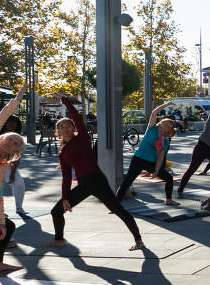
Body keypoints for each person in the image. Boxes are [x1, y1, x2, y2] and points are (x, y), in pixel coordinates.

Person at [48, 94, 144, 251]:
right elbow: (65, 177)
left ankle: (138, 240)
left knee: (117, 209)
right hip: (84, 184)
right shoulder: (62, 152)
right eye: (61, 126)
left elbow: (77, 117)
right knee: (56, 211)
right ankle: (59, 239)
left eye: (68, 125)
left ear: (73, 128)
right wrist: (65, 197)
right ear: (57, 131)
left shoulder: (82, 138)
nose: (65, 127)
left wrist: (65, 101)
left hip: (97, 180)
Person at [0, 82, 28, 273]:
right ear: (0, 138)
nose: (11, 142)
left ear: (15, 151)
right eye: (9, 139)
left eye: (15, 143)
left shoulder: (2, 167)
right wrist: (17, 100)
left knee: (8, 226)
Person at [116, 102, 179, 204]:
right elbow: (154, 113)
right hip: (139, 159)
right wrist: (166, 105)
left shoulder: (166, 140)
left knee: (169, 178)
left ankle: (169, 199)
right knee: (127, 182)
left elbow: (161, 157)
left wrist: (157, 171)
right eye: (165, 124)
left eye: (168, 127)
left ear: (169, 130)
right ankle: (115, 205)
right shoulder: (152, 128)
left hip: (152, 163)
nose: (166, 127)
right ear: (161, 123)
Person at [0, 115, 26, 216]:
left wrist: (13, 174)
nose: (11, 124)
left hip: (8, 166)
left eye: (14, 122)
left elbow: (17, 158)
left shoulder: (19, 139)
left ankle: (19, 208)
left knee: (19, 183)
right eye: (9, 121)